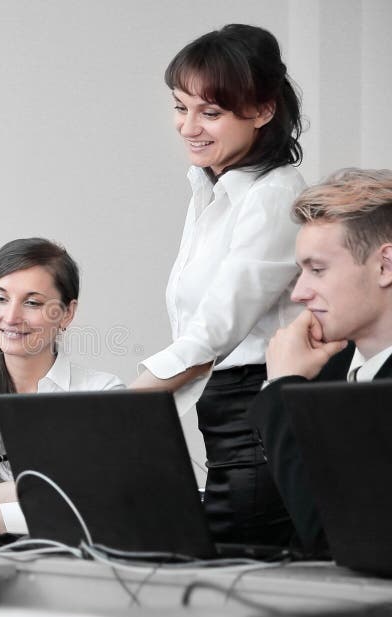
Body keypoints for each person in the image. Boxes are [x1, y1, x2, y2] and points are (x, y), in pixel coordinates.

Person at [129, 24, 307, 544]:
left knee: (237, 577)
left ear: (263, 110)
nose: (189, 126)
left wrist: (115, 407)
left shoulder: (274, 196)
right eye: (180, 107)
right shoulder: (210, 188)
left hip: (256, 425)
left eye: (210, 112)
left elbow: (212, 334)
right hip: (224, 419)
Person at [249, 168, 392, 553]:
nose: (298, 293)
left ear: (385, 266)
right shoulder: (326, 370)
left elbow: (338, 538)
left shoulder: (298, 379)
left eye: (317, 270)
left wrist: (281, 390)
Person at [0, 238, 125, 535]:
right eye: (1, 298)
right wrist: (29, 488)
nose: (11, 317)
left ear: (67, 312)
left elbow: (95, 508)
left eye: (32, 302)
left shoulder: (103, 394)